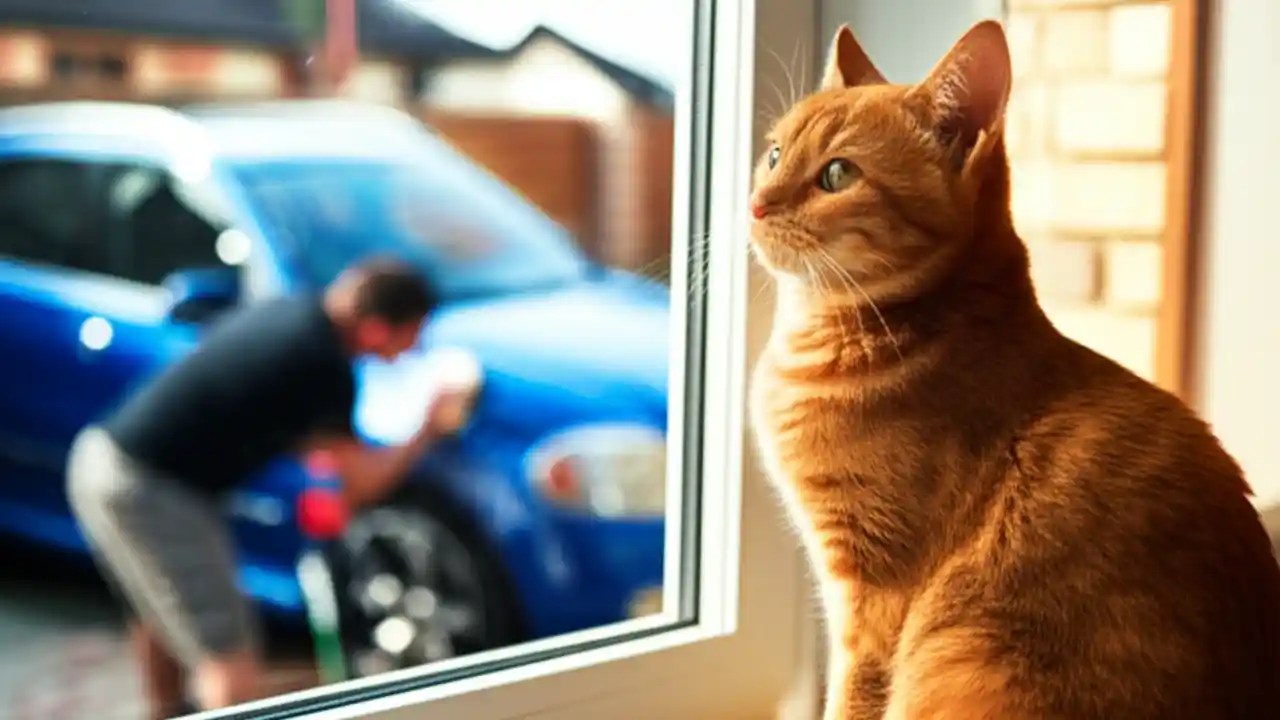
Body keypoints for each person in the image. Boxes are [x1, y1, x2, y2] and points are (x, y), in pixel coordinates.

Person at [66, 257, 467, 717]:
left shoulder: (289, 313)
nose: (409, 352)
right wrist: (428, 428)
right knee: (229, 661)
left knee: (160, 612)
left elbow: (290, 432)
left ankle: (165, 710)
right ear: (378, 328)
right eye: (410, 338)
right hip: (151, 489)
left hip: (100, 459)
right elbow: (362, 482)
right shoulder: (322, 365)